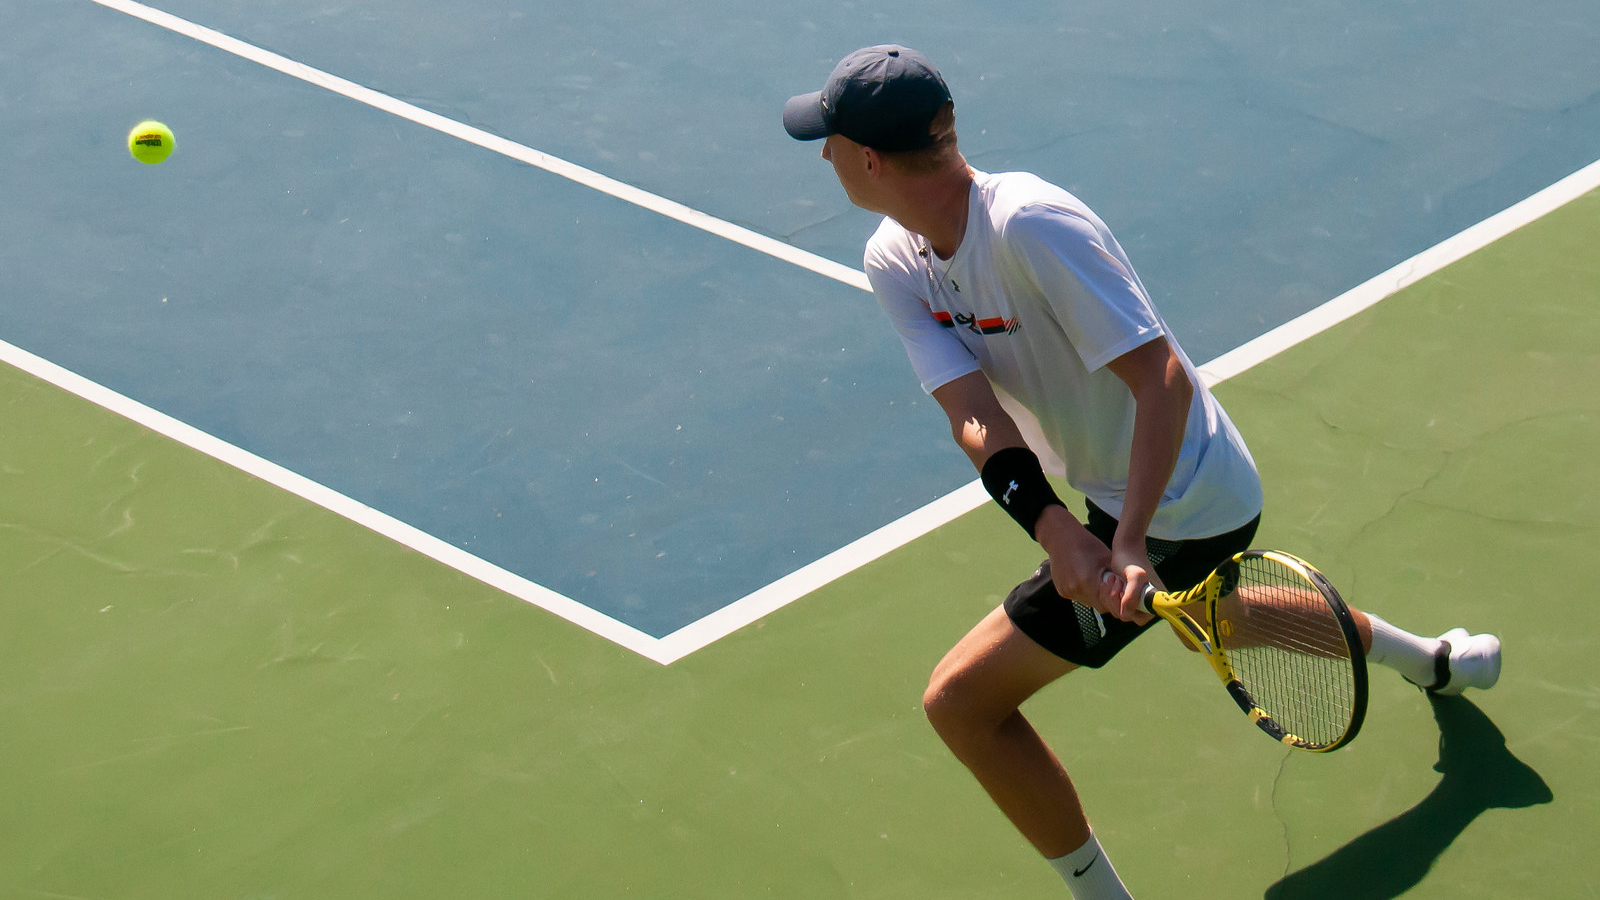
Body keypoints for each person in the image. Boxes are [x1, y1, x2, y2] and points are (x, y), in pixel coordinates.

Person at [782, 45, 1503, 900]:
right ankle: (1434, 661)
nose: (820, 154)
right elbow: (972, 412)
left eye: (827, 140)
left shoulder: (1030, 225)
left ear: (867, 158)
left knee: (963, 705)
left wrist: (1125, 542)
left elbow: (1158, 378)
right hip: (1107, 494)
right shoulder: (894, 258)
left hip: (1187, 495)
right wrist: (1057, 532)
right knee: (1227, 616)